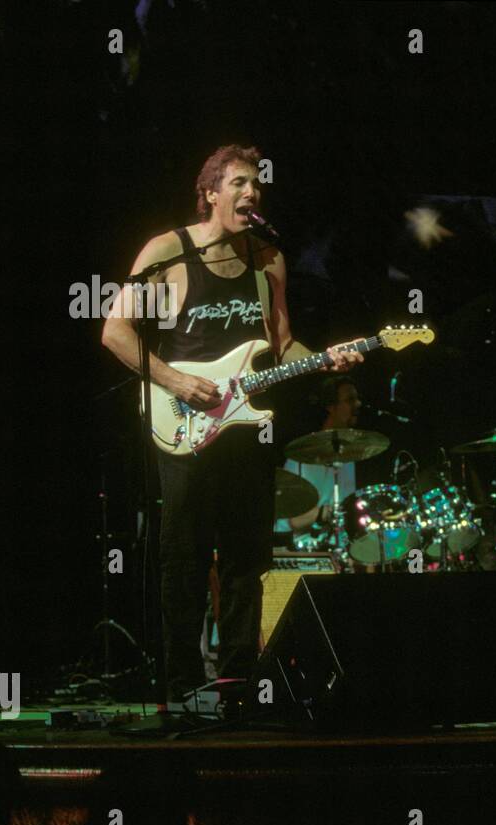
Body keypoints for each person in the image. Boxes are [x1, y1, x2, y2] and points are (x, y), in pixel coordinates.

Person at [101, 144, 360, 700]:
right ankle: (182, 687)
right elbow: (115, 332)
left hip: (246, 431)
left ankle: (240, 682)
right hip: (185, 425)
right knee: (184, 560)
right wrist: (175, 381)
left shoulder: (269, 260)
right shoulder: (169, 252)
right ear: (211, 193)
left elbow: (283, 344)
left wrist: (326, 358)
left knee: (249, 561)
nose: (251, 193)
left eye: (257, 185)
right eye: (239, 183)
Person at [276, 377, 364, 549]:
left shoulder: (350, 457)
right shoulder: (302, 457)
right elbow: (295, 519)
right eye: (350, 400)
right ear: (330, 407)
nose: (358, 404)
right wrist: (328, 512)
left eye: (357, 399)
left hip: (333, 549)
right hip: (293, 547)